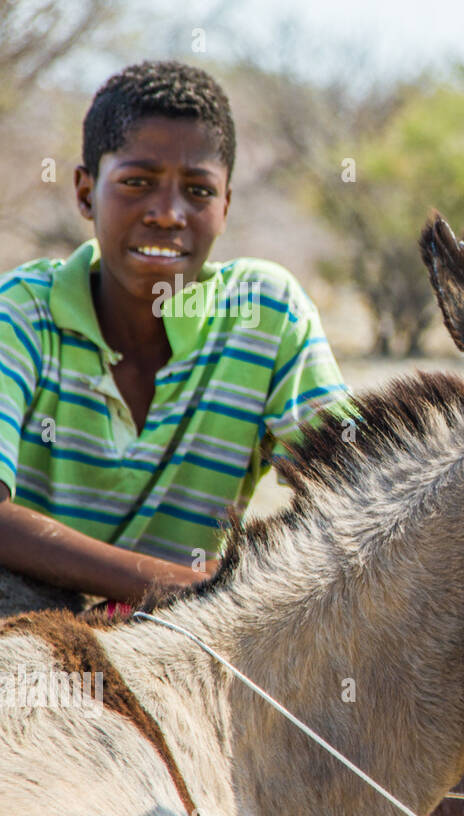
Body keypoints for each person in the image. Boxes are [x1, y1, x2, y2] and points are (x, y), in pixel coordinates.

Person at [0, 60, 353, 608]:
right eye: (137, 183)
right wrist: (185, 585)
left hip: (193, 656)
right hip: (32, 636)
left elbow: (355, 494)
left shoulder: (265, 315)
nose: (167, 213)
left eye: (198, 190)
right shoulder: (24, 313)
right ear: (85, 192)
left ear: (226, 206)